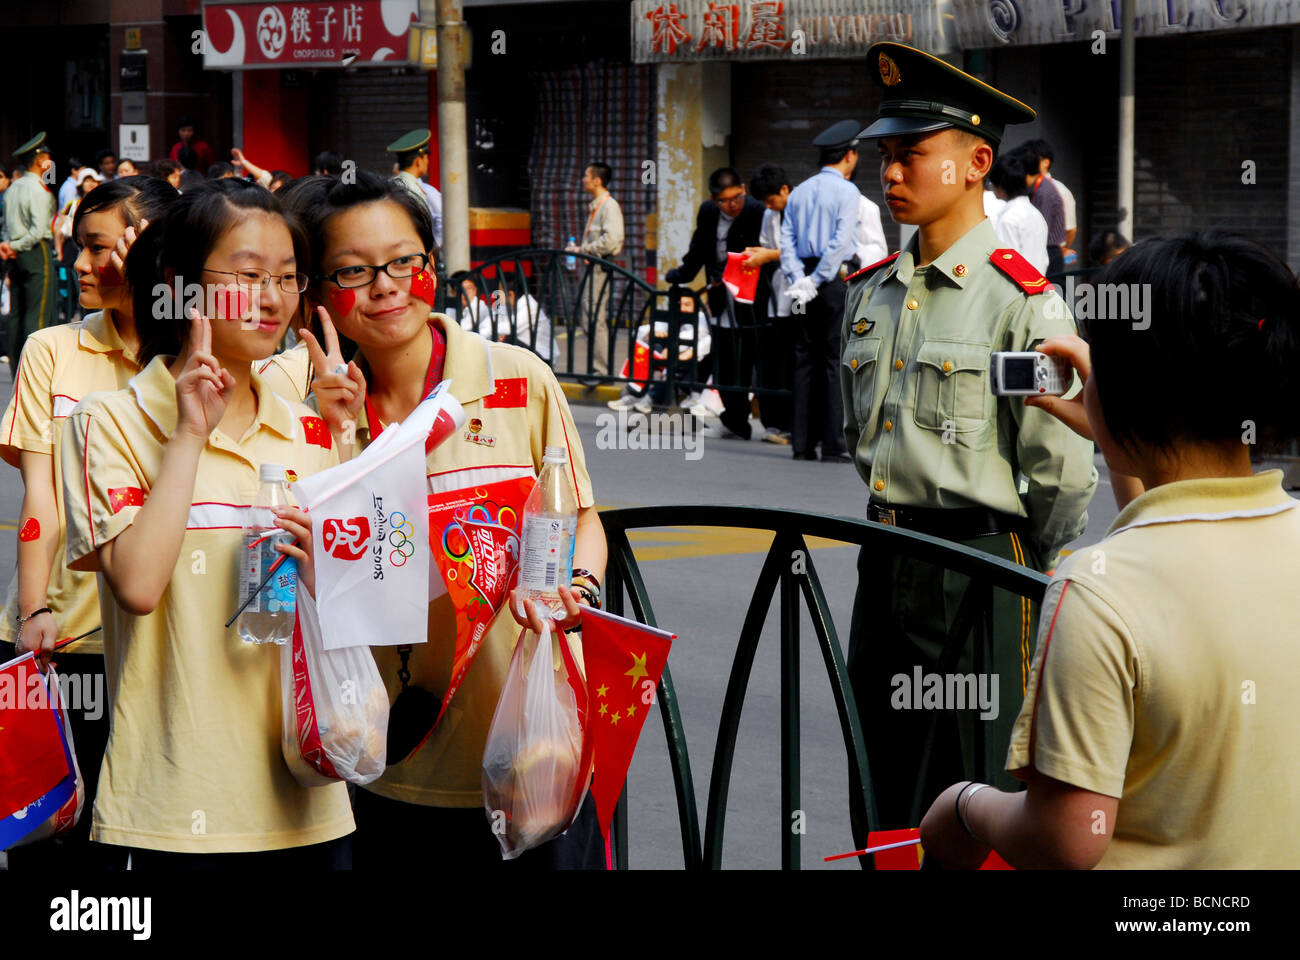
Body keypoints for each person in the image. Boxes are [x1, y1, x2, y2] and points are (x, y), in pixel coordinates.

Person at [920, 231, 1300, 868]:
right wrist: (1116, 415)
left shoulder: (1096, 592)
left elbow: (1066, 838)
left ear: (1122, 394)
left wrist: (965, 804)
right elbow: (1178, 548)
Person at [286, 169, 608, 869]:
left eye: (405, 261)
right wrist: (338, 438)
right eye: (354, 271)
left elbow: (582, 515)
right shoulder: (293, 404)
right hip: (382, 760)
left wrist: (576, 589)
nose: (386, 285)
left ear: (432, 264)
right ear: (317, 296)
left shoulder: (517, 378)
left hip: (533, 753)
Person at [60, 177, 353, 867]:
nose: (272, 296)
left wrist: (349, 446)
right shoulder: (113, 422)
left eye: (286, 276)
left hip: (312, 800)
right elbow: (137, 585)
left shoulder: (309, 428)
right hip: (173, 811)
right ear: (181, 283)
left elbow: (358, 600)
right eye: (248, 274)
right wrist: (188, 437)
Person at [843, 42, 1098, 832]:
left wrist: (1026, 566)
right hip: (884, 559)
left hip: (979, 567)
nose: (889, 174)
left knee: (971, 786)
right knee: (879, 774)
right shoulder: (874, 295)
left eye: (911, 155)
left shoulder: (1024, 305)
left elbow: (1060, 474)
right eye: (885, 156)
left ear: (976, 161)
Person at [1, 176, 176, 870]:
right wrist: (31, 610)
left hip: (174, 640)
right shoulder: (52, 351)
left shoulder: (199, 357)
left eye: (100, 249)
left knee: (161, 830)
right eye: (77, 247)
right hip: (67, 639)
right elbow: (38, 497)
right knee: (59, 837)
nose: (78, 265)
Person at [779, 120, 862, 462]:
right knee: (831, 359)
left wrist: (799, 277)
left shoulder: (799, 190)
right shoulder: (848, 191)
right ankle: (833, 443)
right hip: (829, 284)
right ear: (850, 156)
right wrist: (816, 280)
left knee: (803, 359)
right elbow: (840, 243)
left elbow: (786, 240)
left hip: (801, 285)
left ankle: (802, 443)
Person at [666, 167, 764, 441]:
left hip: (753, 300)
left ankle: (777, 425)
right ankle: (734, 421)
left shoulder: (756, 211)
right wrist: (682, 274)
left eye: (736, 198)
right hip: (720, 299)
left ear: (743, 190)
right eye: (724, 201)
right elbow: (699, 248)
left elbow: (761, 248)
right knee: (725, 361)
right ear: (713, 200)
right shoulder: (708, 213)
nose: (731, 206)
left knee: (753, 360)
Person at [745, 163, 794, 445]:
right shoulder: (770, 214)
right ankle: (776, 424)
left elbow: (802, 249)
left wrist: (770, 254)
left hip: (800, 294)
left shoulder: (801, 208)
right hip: (777, 296)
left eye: (771, 199)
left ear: (785, 189)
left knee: (792, 363)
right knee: (774, 362)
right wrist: (760, 253)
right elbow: (768, 246)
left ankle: (793, 425)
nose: (769, 206)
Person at [3, 133, 58, 370]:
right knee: (38, 311)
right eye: (47, 158)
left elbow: (6, 224)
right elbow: (37, 231)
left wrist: (8, 246)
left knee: (18, 311)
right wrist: (15, 246)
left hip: (14, 251)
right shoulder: (37, 188)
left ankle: (18, 366)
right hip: (35, 251)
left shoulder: (13, 187)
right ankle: (33, 369)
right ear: (38, 160)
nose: (50, 163)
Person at [566, 161, 624, 380]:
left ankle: (601, 371)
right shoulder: (597, 206)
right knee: (589, 317)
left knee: (595, 318)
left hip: (600, 267)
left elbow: (612, 240)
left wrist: (585, 249)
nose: (583, 179)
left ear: (597, 181)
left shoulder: (609, 206)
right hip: (593, 268)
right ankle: (596, 369)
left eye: (587, 176)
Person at [987, 152, 1049, 275]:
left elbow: (1006, 264)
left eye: (992, 182)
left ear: (1000, 184)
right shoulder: (1035, 213)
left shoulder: (1009, 218)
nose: (991, 187)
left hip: (1017, 288)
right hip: (1038, 284)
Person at [1011, 143, 1066, 278]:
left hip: (1049, 251)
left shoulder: (1044, 191)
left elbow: (1039, 230)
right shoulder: (1037, 188)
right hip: (1044, 250)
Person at [388, 129, 444, 250]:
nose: (428, 162)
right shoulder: (415, 190)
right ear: (419, 161)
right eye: (426, 158)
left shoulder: (389, 184)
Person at [1027, 139, 1076, 262]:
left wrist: (1059, 251)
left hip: (1050, 256)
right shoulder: (1025, 188)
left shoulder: (1060, 190)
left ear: (1046, 162)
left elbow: (1071, 229)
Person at [494, 285, 558, 364]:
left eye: (500, 293)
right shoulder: (513, 305)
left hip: (544, 358)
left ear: (510, 294)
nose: (497, 297)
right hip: (532, 352)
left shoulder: (529, 306)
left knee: (507, 341)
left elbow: (508, 328)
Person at [448, 270, 493, 337]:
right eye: (461, 289)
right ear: (453, 292)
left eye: (469, 288)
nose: (466, 293)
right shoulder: (450, 308)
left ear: (475, 290)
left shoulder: (480, 308)